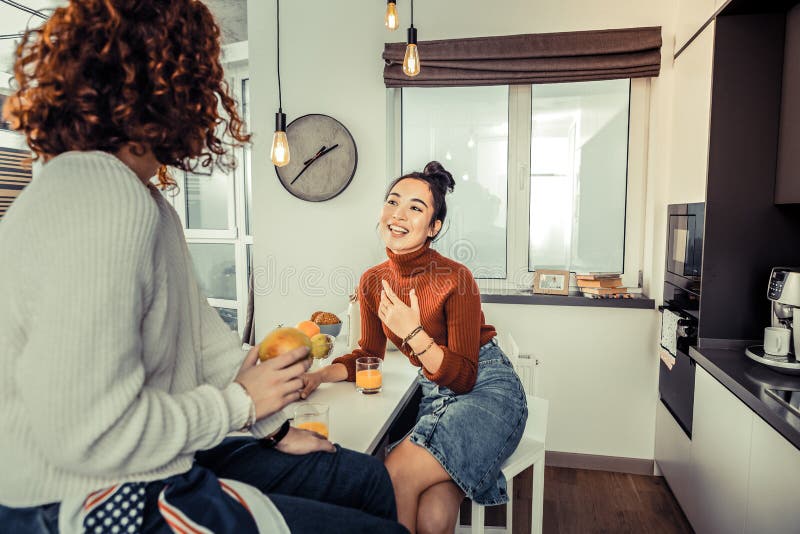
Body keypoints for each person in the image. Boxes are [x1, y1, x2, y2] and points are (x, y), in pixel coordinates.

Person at [0, 1, 407, 533]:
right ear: (168, 85)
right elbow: (88, 432)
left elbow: (209, 350)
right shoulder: (98, 191)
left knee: (364, 479)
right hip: (77, 499)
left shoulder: (148, 203)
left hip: (153, 458)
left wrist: (276, 427)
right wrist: (240, 404)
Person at [301, 161, 529, 534]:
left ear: (433, 227)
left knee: (394, 474)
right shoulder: (372, 281)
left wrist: (413, 332)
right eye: (393, 201)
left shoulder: (456, 278)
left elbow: (463, 377)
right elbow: (367, 355)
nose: (398, 214)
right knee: (432, 518)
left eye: (415, 208)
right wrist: (319, 376)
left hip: (487, 389)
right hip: (436, 395)